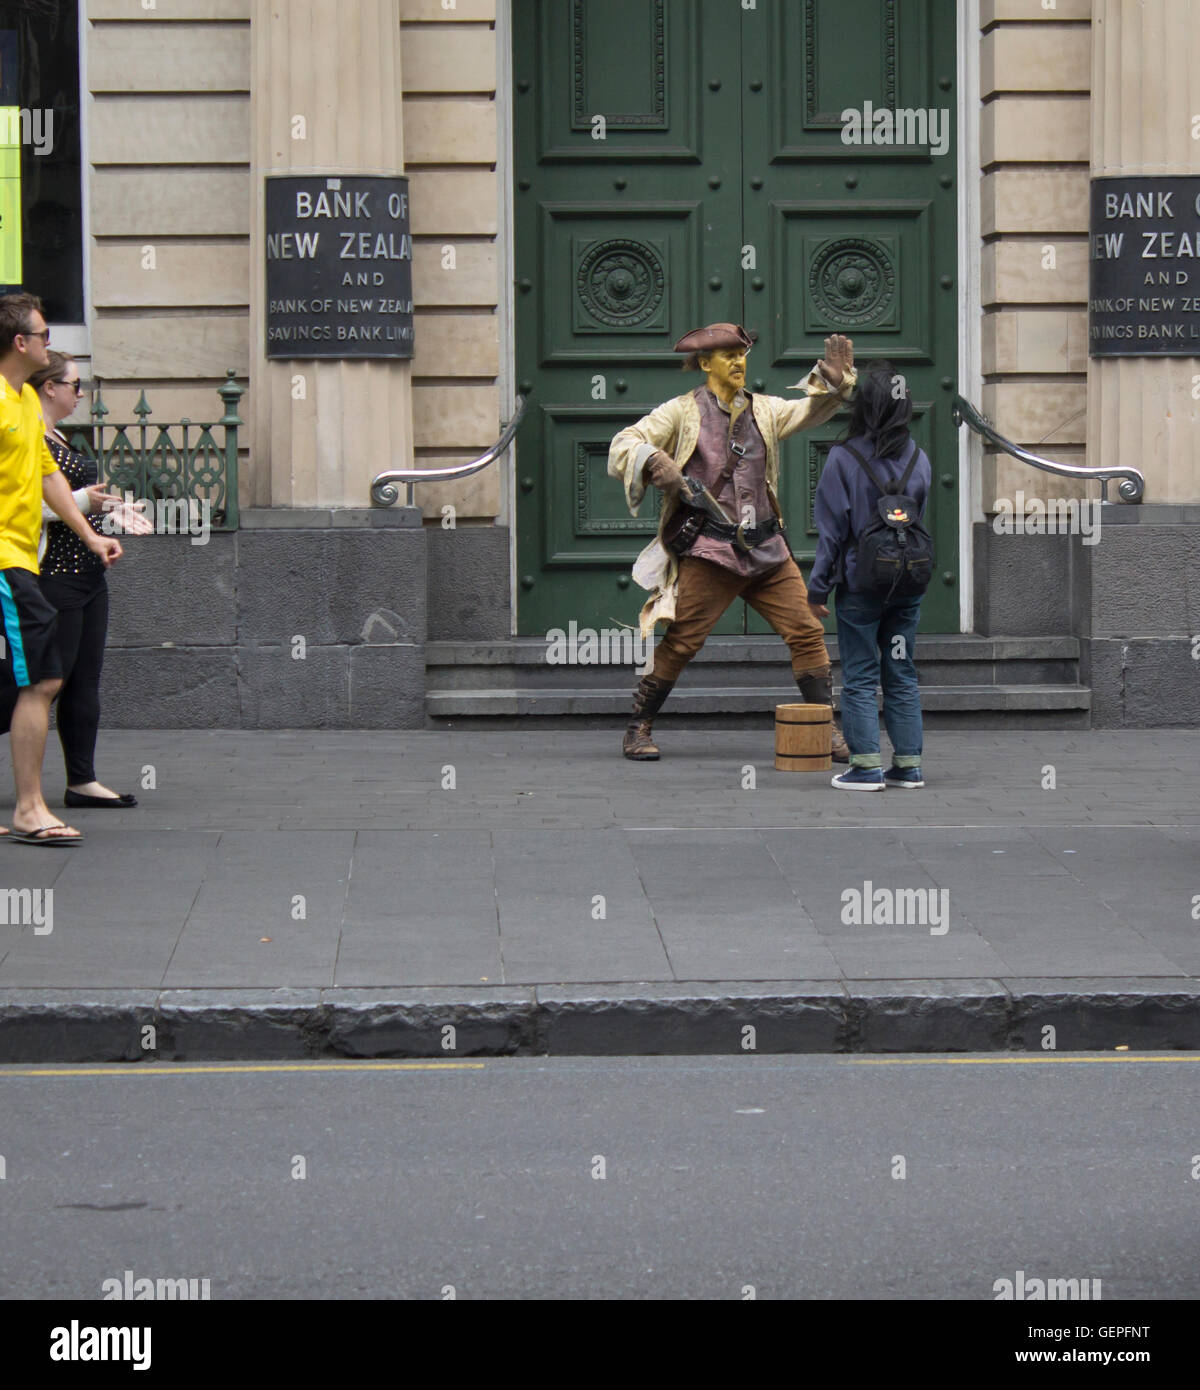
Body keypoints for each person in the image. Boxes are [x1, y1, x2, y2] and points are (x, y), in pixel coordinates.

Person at [608, 323, 856, 761]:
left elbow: (806, 411)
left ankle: (824, 728)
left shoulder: (764, 411)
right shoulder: (680, 413)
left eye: (742, 354)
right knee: (683, 641)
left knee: (806, 632)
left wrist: (834, 384)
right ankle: (637, 728)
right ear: (705, 364)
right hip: (712, 551)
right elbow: (624, 442)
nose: (739, 362)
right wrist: (652, 458)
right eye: (728, 356)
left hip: (767, 551)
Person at [0, 293, 122, 845]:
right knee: (45, 677)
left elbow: (49, 480)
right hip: (7, 562)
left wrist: (92, 536)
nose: (51, 342)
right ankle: (29, 808)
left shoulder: (23, 400)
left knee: (39, 678)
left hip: (23, 557)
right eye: (44, 334)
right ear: (20, 342)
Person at [9, 351, 151, 807]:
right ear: (49, 387)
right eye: (74, 385)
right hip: (51, 575)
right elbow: (31, 502)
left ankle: (82, 781)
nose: (80, 394)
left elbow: (72, 501)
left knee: (84, 679)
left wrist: (113, 509)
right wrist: (89, 506)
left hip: (88, 574)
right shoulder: (26, 433)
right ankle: (33, 801)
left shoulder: (59, 437)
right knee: (46, 680)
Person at [806, 363, 931, 791]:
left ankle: (865, 766)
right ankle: (909, 765)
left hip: (861, 585)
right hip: (907, 583)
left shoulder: (843, 458)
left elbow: (832, 534)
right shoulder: (920, 458)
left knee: (860, 674)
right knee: (901, 670)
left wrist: (817, 589)